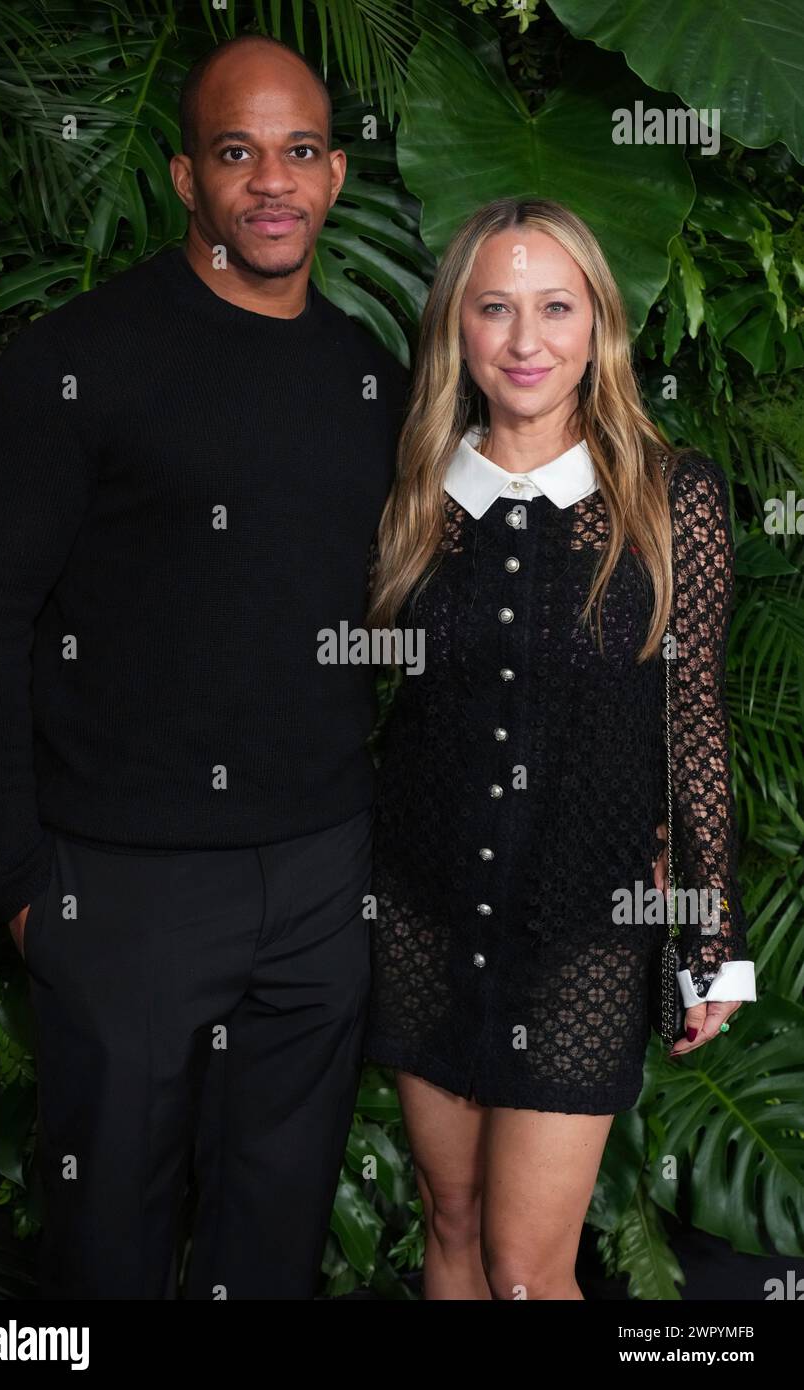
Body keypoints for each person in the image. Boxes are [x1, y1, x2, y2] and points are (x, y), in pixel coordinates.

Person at [0, 34, 409, 1299]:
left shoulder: (375, 384)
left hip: (320, 878)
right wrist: (15, 879)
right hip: (119, 888)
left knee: (270, 1248)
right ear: (184, 177)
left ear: (335, 175)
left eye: (298, 151)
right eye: (236, 151)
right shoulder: (71, 367)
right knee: (107, 1253)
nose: (272, 181)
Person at [363, 197, 756, 1300]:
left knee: (527, 1269)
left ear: (598, 326)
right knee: (448, 1221)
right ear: (457, 328)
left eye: (553, 307)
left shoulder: (668, 496)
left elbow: (692, 722)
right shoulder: (412, 491)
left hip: (584, 918)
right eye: (493, 308)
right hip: (421, 904)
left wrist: (710, 935)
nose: (525, 340)